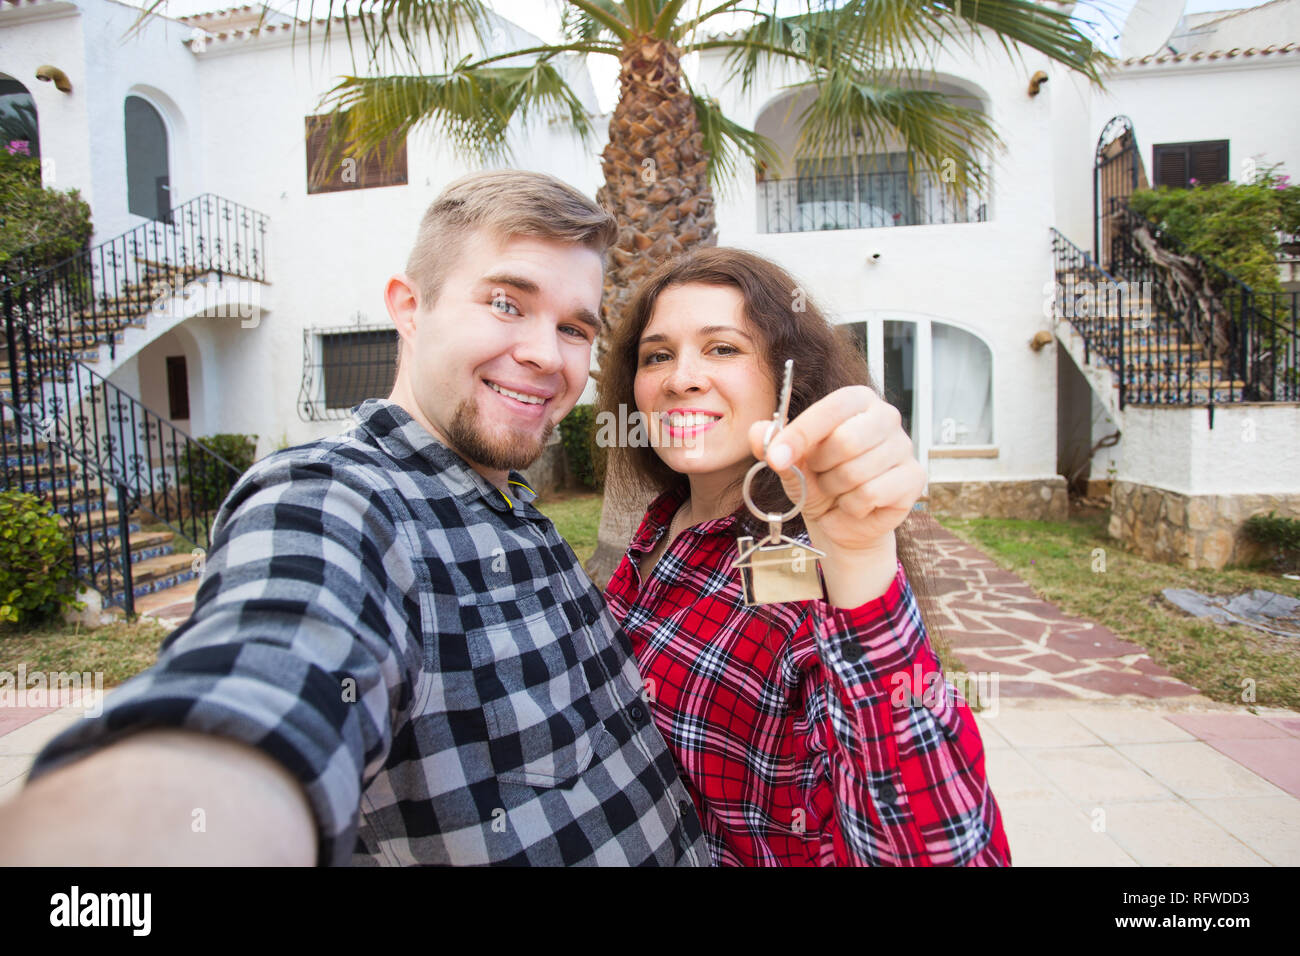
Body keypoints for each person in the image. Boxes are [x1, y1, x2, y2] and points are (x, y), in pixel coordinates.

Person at [0, 170, 712, 866]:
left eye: (574, 328)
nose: (543, 354)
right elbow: (271, 679)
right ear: (408, 307)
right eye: (504, 303)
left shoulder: (511, 503)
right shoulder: (332, 498)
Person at [597, 247, 1012, 866]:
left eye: (722, 348)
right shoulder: (659, 524)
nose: (678, 378)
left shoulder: (816, 572)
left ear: (788, 380)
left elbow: (937, 847)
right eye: (657, 355)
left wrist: (862, 560)